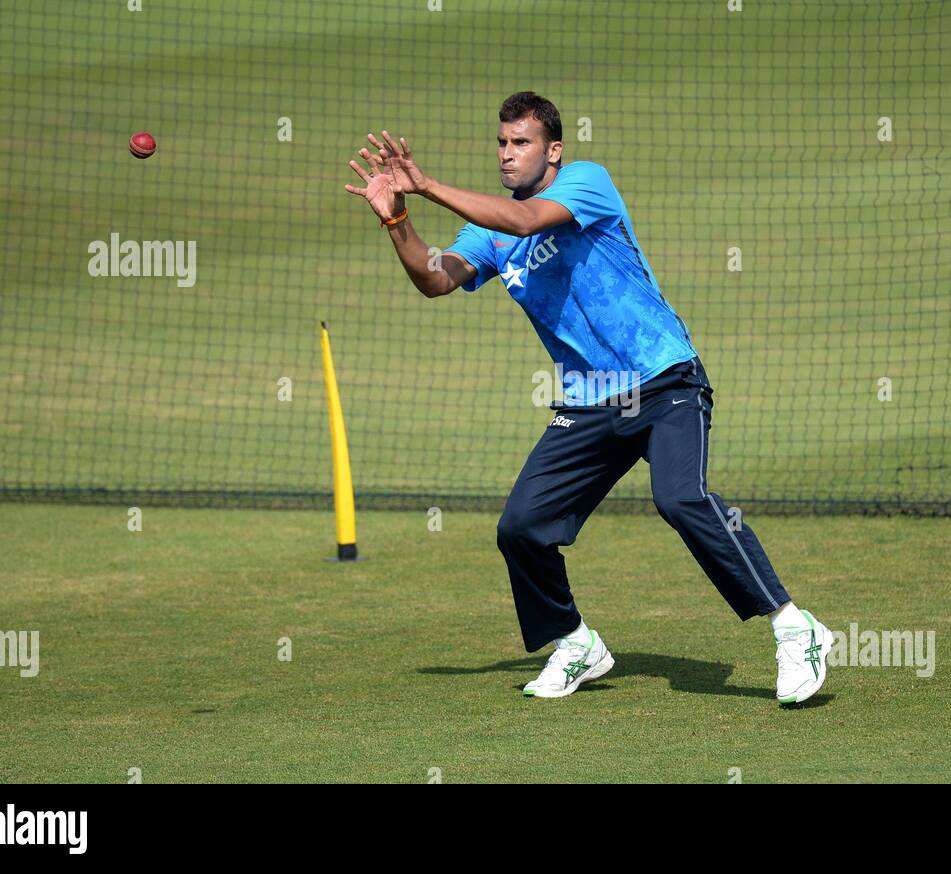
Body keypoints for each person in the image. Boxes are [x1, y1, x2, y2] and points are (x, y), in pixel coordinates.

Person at [343, 91, 833, 704]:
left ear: (552, 150)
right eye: (501, 142)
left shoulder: (585, 183)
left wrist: (425, 184)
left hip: (664, 379)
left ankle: (793, 625)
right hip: (589, 402)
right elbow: (436, 279)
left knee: (681, 497)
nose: (506, 154)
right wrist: (396, 219)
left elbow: (525, 221)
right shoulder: (486, 233)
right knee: (521, 526)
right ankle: (576, 644)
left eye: (520, 143)